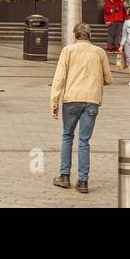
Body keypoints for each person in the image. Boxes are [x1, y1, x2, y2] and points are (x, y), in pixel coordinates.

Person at [49, 22, 112, 194]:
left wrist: (54, 102)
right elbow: (108, 78)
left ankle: (65, 176)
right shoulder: (99, 52)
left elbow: (59, 78)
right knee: (84, 141)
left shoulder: (68, 51)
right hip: (92, 100)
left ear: (74, 35)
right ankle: (83, 181)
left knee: (67, 136)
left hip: (71, 99)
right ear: (89, 36)